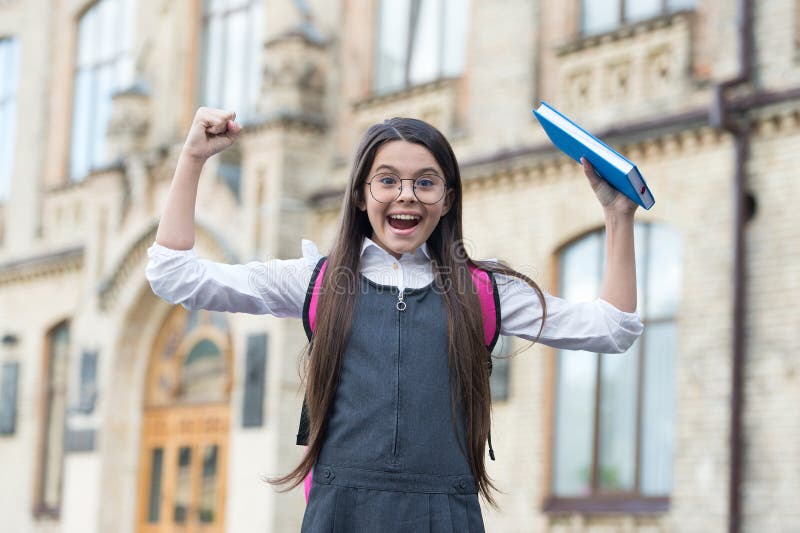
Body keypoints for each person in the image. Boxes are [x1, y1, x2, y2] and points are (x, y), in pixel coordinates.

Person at [146, 107, 643, 531]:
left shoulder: (483, 292)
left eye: (425, 182)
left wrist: (618, 217)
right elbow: (175, 276)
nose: (407, 194)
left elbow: (612, 329)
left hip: (445, 515)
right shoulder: (315, 281)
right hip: (341, 512)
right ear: (362, 194)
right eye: (387, 180)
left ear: (447, 199)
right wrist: (192, 159)